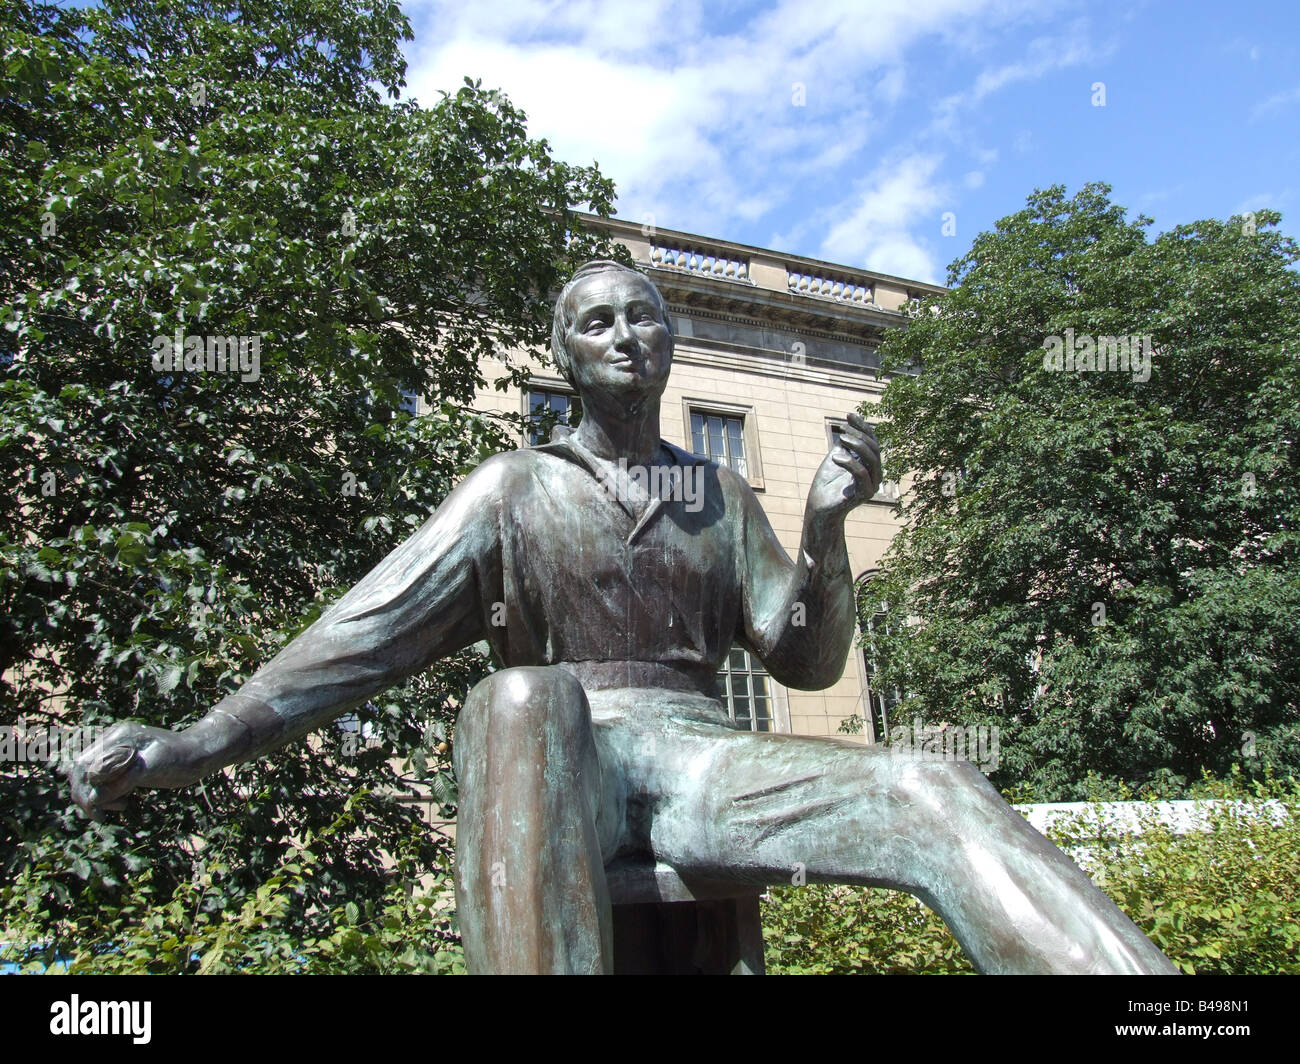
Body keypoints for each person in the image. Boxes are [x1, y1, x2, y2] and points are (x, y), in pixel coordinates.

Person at [69, 260, 1177, 975]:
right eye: (596, 322)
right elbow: (359, 634)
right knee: (522, 695)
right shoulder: (512, 486)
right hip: (565, 752)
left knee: (931, 782)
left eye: (642, 316)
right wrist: (197, 741)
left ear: (668, 341)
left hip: (704, 760)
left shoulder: (719, 495)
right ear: (562, 356)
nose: (625, 335)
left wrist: (826, 530)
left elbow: (806, 659)